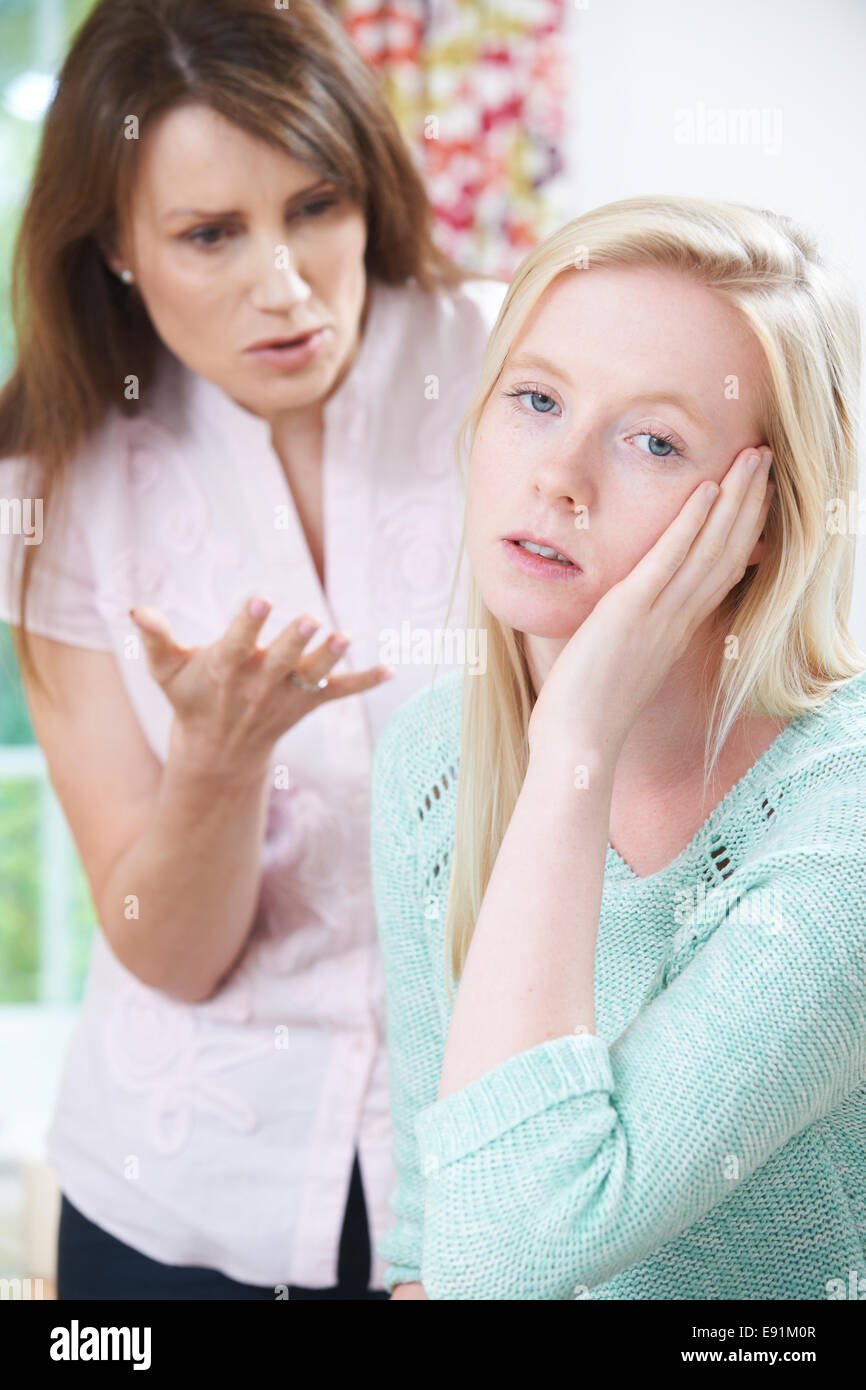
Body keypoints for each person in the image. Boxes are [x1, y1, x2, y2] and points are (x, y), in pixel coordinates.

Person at [0, 0, 507, 1299]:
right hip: (177, 1207)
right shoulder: (47, 475)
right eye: (210, 233)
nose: (281, 285)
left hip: (501, 1171)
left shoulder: (523, 374)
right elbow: (160, 946)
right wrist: (219, 764)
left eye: (317, 206)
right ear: (113, 241)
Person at [370, 194, 866, 1300]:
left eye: (651, 440)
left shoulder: (844, 812)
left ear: (762, 520)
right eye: (536, 398)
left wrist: (574, 749)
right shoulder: (429, 762)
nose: (558, 478)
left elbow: (506, 1251)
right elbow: (428, 1254)